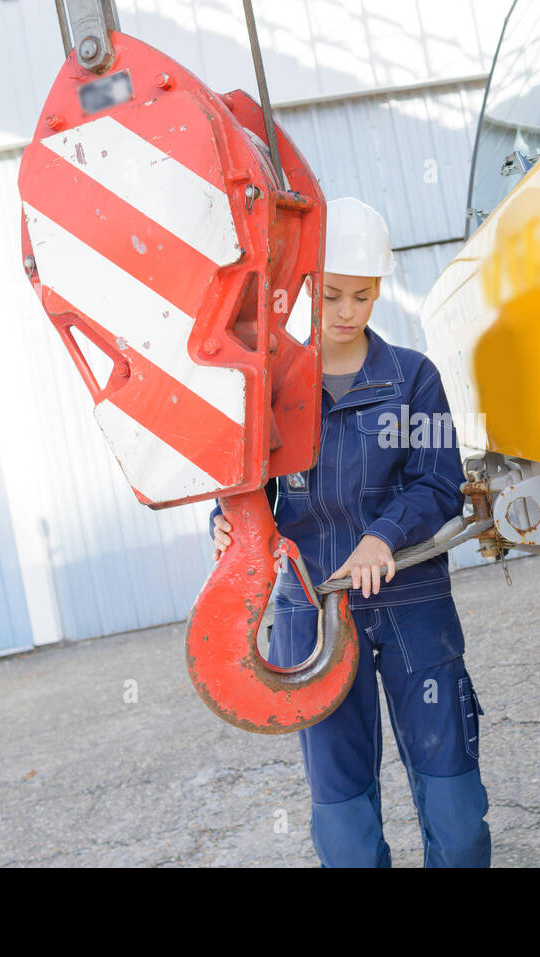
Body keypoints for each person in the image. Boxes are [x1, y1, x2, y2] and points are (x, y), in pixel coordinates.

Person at [210, 196, 491, 867]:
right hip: (311, 607)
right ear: (305, 283)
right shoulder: (271, 387)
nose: (345, 312)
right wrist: (226, 530)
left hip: (410, 600)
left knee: (449, 778)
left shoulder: (412, 378)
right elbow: (246, 493)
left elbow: (438, 479)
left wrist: (383, 536)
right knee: (339, 794)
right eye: (332, 294)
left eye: (362, 297)